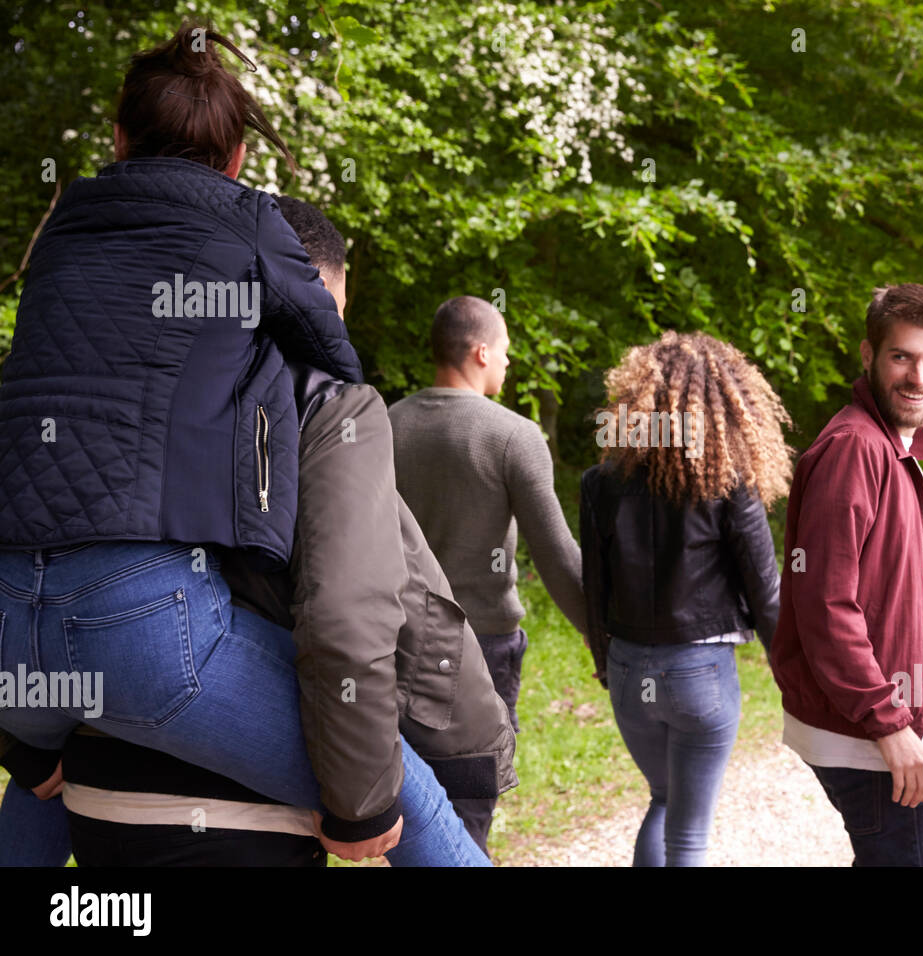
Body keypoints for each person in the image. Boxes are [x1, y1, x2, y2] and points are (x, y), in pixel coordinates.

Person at [0, 24, 485, 866]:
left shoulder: (60, 239)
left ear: (117, 141)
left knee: (39, 786)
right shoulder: (252, 222)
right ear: (233, 161)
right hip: (139, 623)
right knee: (410, 800)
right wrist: (358, 812)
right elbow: (324, 353)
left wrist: (24, 742)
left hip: (8, 624)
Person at [768, 283, 923, 867]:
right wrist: (889, 724)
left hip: (875, 718)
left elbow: (894, 600)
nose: (918, 376)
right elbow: (827, 606)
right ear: (869, 355)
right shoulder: (854, 449)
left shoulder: (895, 448)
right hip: (862, 732)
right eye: (901, 357)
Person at [580, 330, 789, 866]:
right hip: (700, 674)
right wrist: (793, 670)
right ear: (722, 401)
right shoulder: (727, 483)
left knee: (663, 800)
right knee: (689, 833)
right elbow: (765, 589)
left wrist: (605, 663)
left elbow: (595, 586)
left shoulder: (600, 484)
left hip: (629, 672)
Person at [389, 295, 586, 853]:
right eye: (503, 352)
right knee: (470, 812)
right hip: (482, 652)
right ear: (480, 352)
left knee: (412, 804)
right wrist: (604, 641)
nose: (508, 363)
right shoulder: (513, 435)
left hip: (394, 643)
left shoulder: (380, 425)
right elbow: (557, 556)